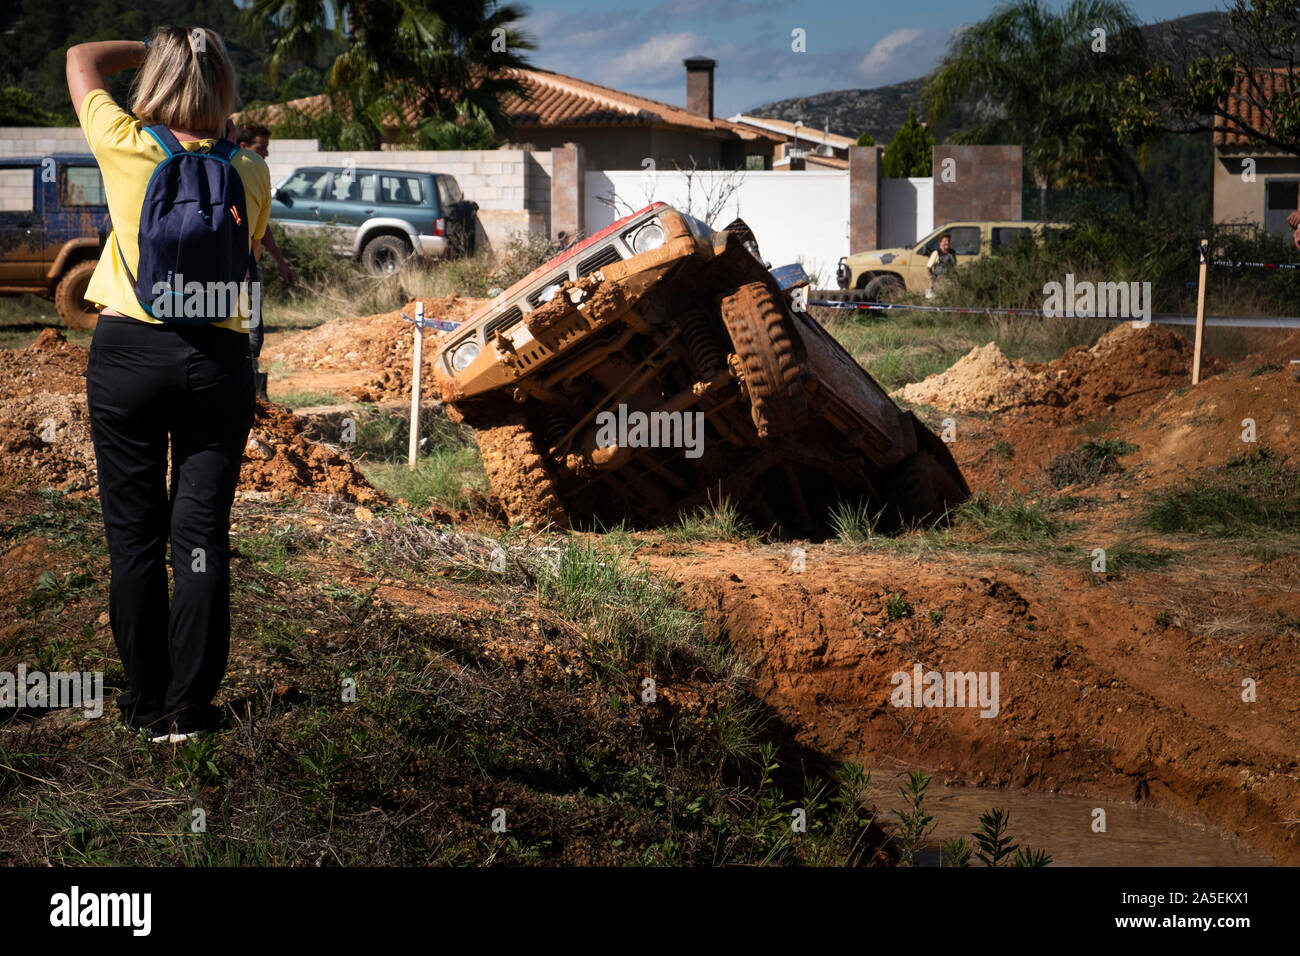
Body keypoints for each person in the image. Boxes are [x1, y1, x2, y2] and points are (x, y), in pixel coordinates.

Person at [67, 27, 271, 743]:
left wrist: (147, 47)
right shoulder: (248, 170)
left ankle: (144, 704)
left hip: (128, 356)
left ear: (156, 82)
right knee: (200, 539)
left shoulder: (124, 143)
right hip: (216, 363)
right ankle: (189, 709)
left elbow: (80, 60)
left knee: (133, 541)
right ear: (223, 89)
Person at [232, 122, 296, 288]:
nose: (266, 153)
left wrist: (280, 261)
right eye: (261, 147)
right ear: (243, 147)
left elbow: (261, 227)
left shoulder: (257, 174)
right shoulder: (232, 174)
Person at [926, 232, 956, 299]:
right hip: (938, 282)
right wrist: (932, 278)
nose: (947, 243)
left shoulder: (952, 252)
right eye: (945, 241)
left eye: (948, 241)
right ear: (940, 242)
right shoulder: (936, 253)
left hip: (949, 282)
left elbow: (954, 266)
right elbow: (928, 267)